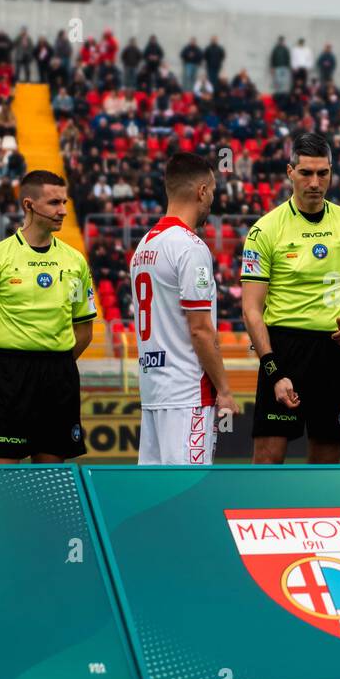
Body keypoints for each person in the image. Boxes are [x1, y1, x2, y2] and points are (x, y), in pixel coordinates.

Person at [240, 132, 340, 464]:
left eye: (323, 173)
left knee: (326, 462)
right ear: (290, 172)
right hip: (285, 348)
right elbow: (251, 309)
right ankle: (263, 516)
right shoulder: (265, 230)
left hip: (336, 350)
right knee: (268, 458)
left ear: (331, 172)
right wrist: (273, 370)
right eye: (306, 173)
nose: (315, 182)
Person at [0, 170, 97, 463]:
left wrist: (54, 365)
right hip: (10, 376)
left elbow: (85, 332)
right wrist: (3, 371)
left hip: (59, 378)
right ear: (28, 205)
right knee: (3, 483)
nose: (63, 210)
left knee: (49, 484)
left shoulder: (75, 262)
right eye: (53, 203)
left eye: (64, 202)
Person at [130, 153, 238, 465]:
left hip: (153, 391)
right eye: (213, 192)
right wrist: (226, 390)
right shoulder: (190, 247)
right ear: (202, 191)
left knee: (154, 497)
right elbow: (200, 329)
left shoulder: (144, 246)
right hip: (188, 393)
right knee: (187, 496)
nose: (212, 201)